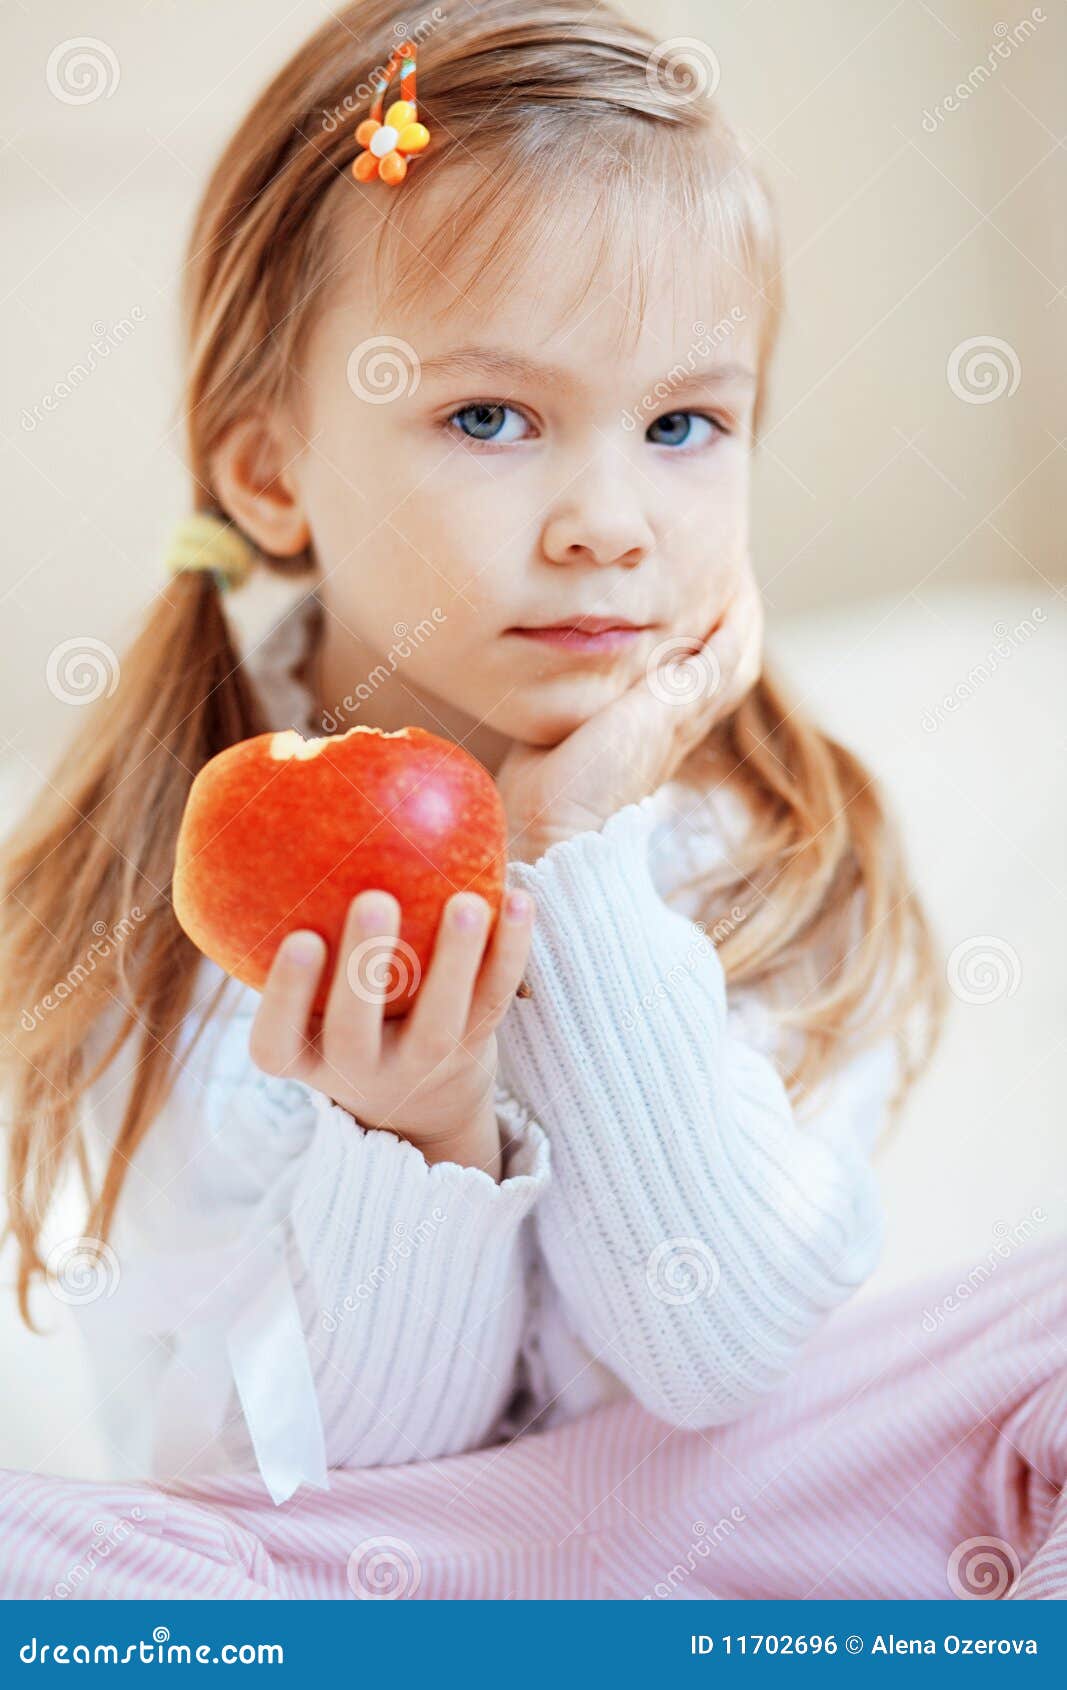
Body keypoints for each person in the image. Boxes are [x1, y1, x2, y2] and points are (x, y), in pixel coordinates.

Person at [1, 1, 942, 1506]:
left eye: (685, 424)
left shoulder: (762, 848)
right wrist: (411, 1135)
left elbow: (722, 1357)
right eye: (493, 415)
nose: (609, 521)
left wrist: (570, 853)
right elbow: (310, 1497)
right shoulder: (186, 901)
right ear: (270, 468)